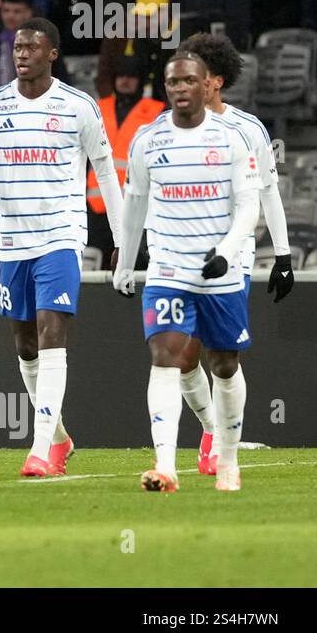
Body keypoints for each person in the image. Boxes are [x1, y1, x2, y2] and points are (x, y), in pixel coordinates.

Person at [0, 17, 125, 477]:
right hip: (12, 242)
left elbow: (105, 171)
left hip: (61, 236)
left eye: (32, 47)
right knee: (25, 343)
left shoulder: (78, 106)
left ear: (52, 53)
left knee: (52, 331)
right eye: (17, 48)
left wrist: (122, 237)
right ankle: (61, 437)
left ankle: (40, 447)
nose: (22, 54)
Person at [114, 52, 259, 494]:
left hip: (219, 274)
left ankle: (228, 461)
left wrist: (227, 252)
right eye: (173, 82)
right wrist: (125, 263)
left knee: (224, 365)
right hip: (168, 270)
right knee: (165, 358)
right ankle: (165, 466)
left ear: (206, 84)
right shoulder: (147, 140)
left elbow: (248, 207)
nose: (180, 88)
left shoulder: (232, 138)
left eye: (189, 81)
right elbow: (135, 205)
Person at [175, 33, 293, 474]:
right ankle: (213, 431)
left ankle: (223, 440)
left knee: (222, 357)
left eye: (196, 74)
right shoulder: (169, 129)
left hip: (234, 255)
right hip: (184, 254)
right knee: (182, 356)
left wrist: (283, 257)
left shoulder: (248, 129)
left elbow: (269, 192)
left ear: (216, 81)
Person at [85, 58, 165, 268]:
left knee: (132, 268)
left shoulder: (158, 111)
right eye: (121, 76)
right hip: (96, 207)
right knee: (94, 268)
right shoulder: (98, 108)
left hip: (136, 208)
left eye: (131, 76)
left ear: (141, 80)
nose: (125, 81)